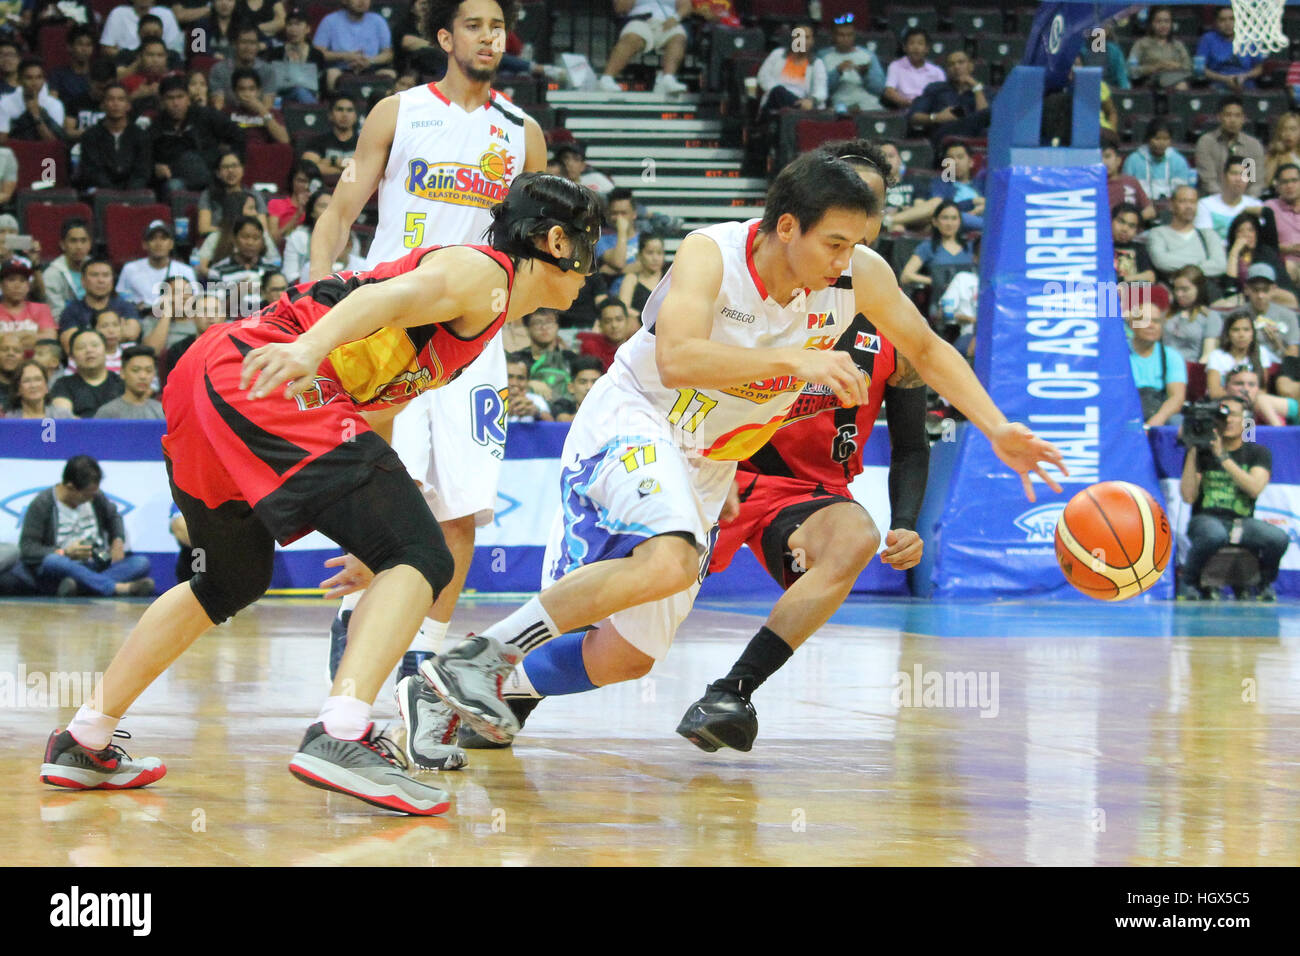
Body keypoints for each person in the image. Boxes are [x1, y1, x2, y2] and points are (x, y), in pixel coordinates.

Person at [403, 150, 1066, 750]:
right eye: (834, 243)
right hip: (639, 417)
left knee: (627, 655)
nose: (846, 260)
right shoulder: (710, 252)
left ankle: (480, 692)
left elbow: (924, 348)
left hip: (711, 461)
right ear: (786, 227)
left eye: (856, 244)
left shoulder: (859, 275)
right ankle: (477, 659)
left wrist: (996, 426)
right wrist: (796, 360)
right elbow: (679, 356)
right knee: (669, 558)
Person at [37, 172, 597, 815]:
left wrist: (377, 533)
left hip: (211, 376)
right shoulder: (485, 274)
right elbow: (386, 299)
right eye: (585, 247)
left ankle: (83, 739)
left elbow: (383, 397)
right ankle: (342, 733)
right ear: (558, 241)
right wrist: (309, 348)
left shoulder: (479, 307)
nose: (589, 269)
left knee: (229, 580)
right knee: (427, 554)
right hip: (267, 368)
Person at [309, 0, 548, 771]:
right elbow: (342, 206)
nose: (489, 36)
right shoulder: (397, 111)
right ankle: (356, 647)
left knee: (461, 509)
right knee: (388, 493)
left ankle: (426, 674)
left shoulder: (522, 134)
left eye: (499, 26)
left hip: (476, 341)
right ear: (446, 38)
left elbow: (537, 247)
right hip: (394, 328)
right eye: (474, 24)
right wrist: (321, 299)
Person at [670, 144, 933, 752]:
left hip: (808, 494)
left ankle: (732, 691)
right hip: (720, 464)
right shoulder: (760, 290)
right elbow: (678, 357)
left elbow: (914, 442)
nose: (855, 233)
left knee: (854, 539)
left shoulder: (885, 313)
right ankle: (515, 688)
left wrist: (909, 521)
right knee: (637, 609)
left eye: (868, 213)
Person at [1178, 396, 1286, 600]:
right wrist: (1192, 449)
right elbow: (1188, 496)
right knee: (1214, 534)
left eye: (1234, 415)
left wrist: (1222, 457)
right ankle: (1188, 582)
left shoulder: (1257, 452)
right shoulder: (1201, 452)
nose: (1228, 420)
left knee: (1278, 538)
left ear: (1245, 420)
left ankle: (1263, 584)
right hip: (1206, 518)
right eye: (1222, 415)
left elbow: (1254, 488)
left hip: (1242, 521)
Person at [20, 454, 155, 598]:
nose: (91, 498)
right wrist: (65, 552)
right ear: (70, 487)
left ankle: (80, 587)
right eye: (86, 495)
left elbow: (114, 517)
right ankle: (117, 588)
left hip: (95, 564)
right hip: (65, 566)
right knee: (52, 561)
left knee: (141, 562)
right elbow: (28, 548)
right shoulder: (42, 504)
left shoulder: (95, 496)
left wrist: (117, 540)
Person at [149, 76, 246, 193]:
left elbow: (238, 135)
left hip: (211, 174)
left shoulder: (206, 115)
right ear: (162, 102)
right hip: (178, 178)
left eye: (180, 97)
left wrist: (231, 161)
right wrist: (156, 168)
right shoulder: (155, 128)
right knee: (174, 187)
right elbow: (147, 160)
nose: (175, 103)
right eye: (170, 98)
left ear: (188, 98)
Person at [598, 0, 689, 97]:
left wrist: (675, 18)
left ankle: (667, 79)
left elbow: (686, 6)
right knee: (631, 38)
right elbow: (620, 8)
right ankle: (607, 78)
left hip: (668, 22)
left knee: (679, 37)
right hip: (640, 20)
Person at [71, 83, 153, 191]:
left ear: (128, 105)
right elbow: (92, 171)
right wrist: (113, 192)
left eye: (121, 99)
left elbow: (142, 172)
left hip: (133, 193)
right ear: (103, 105)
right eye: (110, 99)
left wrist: (128, 192)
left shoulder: (141, 136)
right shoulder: (90, 136)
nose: (115, 104)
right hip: (101, 192)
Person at [906, 50, 990, 152]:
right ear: (947, 70)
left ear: (971, 66)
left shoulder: (982, 91)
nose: (956, 67)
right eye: (951, 64)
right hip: (945, 135)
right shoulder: (935, 89)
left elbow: (984, 117)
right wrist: (937, 117)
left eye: (961, 62)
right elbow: (914, 116)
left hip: (974, 139)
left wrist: (976, 88)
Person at [58, 258, 141, 352]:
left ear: (112, 280)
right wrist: (115, 333)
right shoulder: (71, 310)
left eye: (106, 275)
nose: (101, 280)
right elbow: (70, 344)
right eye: (94, 275)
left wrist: (88, 339)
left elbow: (131, 334)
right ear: (83, 281)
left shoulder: (125, 306)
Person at [1147, 185, 1227, 284]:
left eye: (1192, 202)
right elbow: (1162, 261)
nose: (1189, 206)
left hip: (1205, 291)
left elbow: (1220, 265)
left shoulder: (1208, 235)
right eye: (1183, 201)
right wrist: (1202, 263)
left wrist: (1181, 265)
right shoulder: (1158, 233)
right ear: (1171, 205)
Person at [116, 220, 199, 313]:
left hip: (174, 318)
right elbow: (120, 299)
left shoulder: (186, 271)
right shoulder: (129, 269)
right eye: (153, 239)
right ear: (144, 244)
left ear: (171, 244)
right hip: (141, 318)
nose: (158, 243)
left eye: (163, 238)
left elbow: (194, 301)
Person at [314, 0, 395, 93]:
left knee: (390, 74)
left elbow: (388, 54)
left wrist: (370, 61)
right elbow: (317, 53)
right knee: (331, 74)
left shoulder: (378, 21)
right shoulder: (330, 21)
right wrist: (346, 56)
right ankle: (338, 105)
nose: (362, 1)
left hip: (371, 67)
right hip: (341, 69)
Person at [283, 189, 362, 282]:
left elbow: (355, 265)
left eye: (332, 206)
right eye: (323, 206)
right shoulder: (297, 237)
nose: (328, 210)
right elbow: (290, 275)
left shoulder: (350, 237)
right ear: (311, 212)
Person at [1128, 298, 1185, 426]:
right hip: (1125, 410)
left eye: (1156, 321)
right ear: (1132, 324)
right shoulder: (1118, 353)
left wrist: (1156, 421)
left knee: (1178, 422)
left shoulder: (1172, 356)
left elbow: (1176, 397)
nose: (1151, 325)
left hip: (1158, 412)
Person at [1195, 95, 1266, 199]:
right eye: (1228, 115)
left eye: (1237, 116)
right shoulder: (1206, 142)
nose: (1233, 120)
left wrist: (1244, 203)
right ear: (1219, 117)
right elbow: (1208, 181)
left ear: (1243, 119)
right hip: (1213, 202)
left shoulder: (1254, 145)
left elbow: (1256, 182)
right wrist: (1225, 202)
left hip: (1245, 205)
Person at [1219, 208, 1294, 303]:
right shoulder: (1228, 256)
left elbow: (1268, 213)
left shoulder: (1266, 251)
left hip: (1273, 298)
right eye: (1240, 231)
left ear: (1257, 233)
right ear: (1234, 235)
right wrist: (1234, 252)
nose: (1246, 235)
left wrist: (1246, 209)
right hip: (1242, 301)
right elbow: (1229, 289)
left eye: (1251, 230)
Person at [209, 215, 280, 315]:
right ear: (234, 238)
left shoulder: (272, 270)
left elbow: (282, 304)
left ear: (262, 241)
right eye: (245, 237)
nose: (250, 242)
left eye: (256, 238)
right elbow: (214, 312)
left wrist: (266, 293)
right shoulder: (217, 270)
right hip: (231, 325)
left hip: (266, 323)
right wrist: (238, 293)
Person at [898, 200, 975, 290]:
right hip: (940, 300)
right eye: (945, 218)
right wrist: (934, 281)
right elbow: (906, 276)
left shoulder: (971, 247)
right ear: (935, 222)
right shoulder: (927, 247)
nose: (949, 223)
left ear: (960, 222)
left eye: (954, 218)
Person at [818, 13, 885, 114]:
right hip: (841, 109)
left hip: (870, 107)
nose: (846, 39)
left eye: (849, 35)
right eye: (841, 35)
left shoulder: (868, 55)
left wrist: (865, 75)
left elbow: (879, 89)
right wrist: (837, 72)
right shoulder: (823, 56)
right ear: (833, 36)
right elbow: (820, 90)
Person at [49, 328, 125, 416]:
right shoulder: (63, 385)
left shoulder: (121, 383)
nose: (89, 350)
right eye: (81, 347)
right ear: (72, 356)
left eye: (95, 345)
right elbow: (64, 419)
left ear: (105, 350)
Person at [756, 22, 826, 117]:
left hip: (800, 106)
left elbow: (821, 90)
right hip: (774, 105)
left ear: (813, 41)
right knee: (778, 91)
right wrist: (780, 93)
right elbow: (762, 77)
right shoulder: (777, 54)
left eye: (807, 37)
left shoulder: (817, 63)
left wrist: (812, 100)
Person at [1205, 309, 1277, 398]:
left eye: (1246, 330)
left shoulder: (1262, 352)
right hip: (1225, 403)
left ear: (1252, 333)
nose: (1241, 335)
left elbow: (1263, 390)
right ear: (1228, 334)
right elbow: (1214, 393)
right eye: (1236, 330)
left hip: (1253, 404)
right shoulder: (1216, 356)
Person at [507, 308, 573, 399]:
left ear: (557, 326)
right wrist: (529, 384)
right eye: (537, 322)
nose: (544, 327)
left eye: (549, 322)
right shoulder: (517, 358)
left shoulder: (570, 359)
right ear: (527, 328)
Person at [1123, 118, 1195, 201]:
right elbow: (1127, 191)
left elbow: (1183, 192)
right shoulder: (1133, 160)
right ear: (1148, 139)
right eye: (1157, 139)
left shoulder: (1179, 161)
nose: (1161, 143)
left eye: (1166, 139)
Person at [1239, 263, 1300, 360]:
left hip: (1280, 367)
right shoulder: (1238, 315)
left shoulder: (1288, 316)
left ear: (1273, 290)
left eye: (1265, 290)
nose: (1260, 296)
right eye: (1255, 290)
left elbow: (1293, 358)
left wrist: (1277, 343)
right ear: (1247, 289)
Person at [1195, 155, 1263, 242]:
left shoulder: (1255, 205)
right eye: (1234, 174)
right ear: (1223, 176)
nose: (1238, 179)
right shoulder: (1205, 205)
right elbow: (1206, 240)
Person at [197, 151, 265, 238]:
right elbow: (204, 229)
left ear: (242, 169)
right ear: (218, 173)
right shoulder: (208, 195)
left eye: (234, 166)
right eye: (225, 167)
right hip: (218, 241)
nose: (230, 170)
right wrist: (233, 233)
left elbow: (263, 229)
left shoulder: (254, 195)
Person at [1196, 6, 1264, 93]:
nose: (1228, 23)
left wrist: (1243, 77)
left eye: (1232, 19)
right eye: (1222, 20)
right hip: (1217, 86)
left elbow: (1259, 68)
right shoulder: (1207, 39)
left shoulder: (1250, 39)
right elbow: (1200, 69)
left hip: (1246, 85)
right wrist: (1225, 79)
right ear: (1216, 22)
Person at [267, 9, 327, 105]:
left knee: (300, 91)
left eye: (298, 24)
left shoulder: (317, 55)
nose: (293, 29)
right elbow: (269, 83)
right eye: (290, 24)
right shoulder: (276, 53)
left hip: (308, 95)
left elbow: (322, 87)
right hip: (280, 96)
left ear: (307, 29)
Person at [0, 58, 67, 143]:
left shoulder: (55, 105)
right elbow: (2, 141)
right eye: (29, 78)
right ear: (19, 80)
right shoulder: (5, 102)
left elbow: (54, 143)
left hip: (46, 154)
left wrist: (36, 116)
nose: (34, 83)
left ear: (44, 80)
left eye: (39, 77)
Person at [209, 24, 277, 108]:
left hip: (257, 118)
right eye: (243, 42)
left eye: (252, 43)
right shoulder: (218, 69)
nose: (248, 47)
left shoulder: (268, 71)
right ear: (235, 44)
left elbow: (267, 108)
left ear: (258, 46)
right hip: (227, 118)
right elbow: (218, 107)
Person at [1129, 5, 1192, 91]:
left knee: (1182, 85)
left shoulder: (1178, 45)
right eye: (1158, 21)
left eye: (1167, 21)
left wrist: (1176, 65)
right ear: (1151, 23)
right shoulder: (1141, 44)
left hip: (1176, 79)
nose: (1163, 25)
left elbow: (1188, 67)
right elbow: (1130, 69)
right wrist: (1155, 67)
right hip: (1150, 83)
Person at [1164, 265, 1219, 364]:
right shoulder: (1167, 314)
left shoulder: (1210, 317)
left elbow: (1208, 354)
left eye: (1185, 289)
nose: (1179, 294)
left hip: (1191, 368)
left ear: (1199, 289)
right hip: (1164, 366)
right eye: (1176, 289)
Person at [92, 344, 163, 418]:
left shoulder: (161, 411)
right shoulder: (107, 413)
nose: (143, 376)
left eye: (148, 371)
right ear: (122, 373)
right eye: (135, 370)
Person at [221, 68, 289, 146]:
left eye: (251, 89)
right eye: (242, 89)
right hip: (237, 153)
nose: (247, 94)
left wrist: (262, 110)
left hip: (262, 153)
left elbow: (284, 140)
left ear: (258, 91)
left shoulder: (272, 112)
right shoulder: (226, 112)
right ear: (235, 92)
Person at [882, 27, 944, 110]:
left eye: (920, 43)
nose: (916, 47)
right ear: (904, 47)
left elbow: (943, 94)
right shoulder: (895, 66)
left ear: (927, 49)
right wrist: (905, 102)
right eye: (911, 43)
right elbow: (889, 91)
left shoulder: (937, 71)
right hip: (905, 110)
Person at [300, 93, 359, 178]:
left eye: (349, 110)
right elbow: (308, 169)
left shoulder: (364, 143)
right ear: (330, 115)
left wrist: (332, 161)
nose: (344, 114)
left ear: (356, 116)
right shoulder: (317, 142)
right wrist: (348, 169)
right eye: (339, 109)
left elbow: (368, 170)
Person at [0, 260, 56, 350]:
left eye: (22, 280)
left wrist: (5, 337)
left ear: (28, 286)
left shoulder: (41, 308)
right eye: (11, 280)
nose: (17, 285)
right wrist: (27, 335)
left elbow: (50, 338)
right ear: (1, 285)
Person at [100, 0, 183, 58]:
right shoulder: (118, 13)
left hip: (160, 61)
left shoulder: (166, 14)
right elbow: (107, 48)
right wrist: (136, 58)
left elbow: (175, 49)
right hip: (127, 63)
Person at [1103, 138, 1156, 223]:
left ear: (1118, 160)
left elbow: (1150, 211)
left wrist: (1131, 221)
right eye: (1099, 158)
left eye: (1107, 156)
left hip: (1132, 232)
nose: (1104, 162)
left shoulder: (1131, 182)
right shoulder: (1092, 185)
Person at [1263, 163, 1300, 285]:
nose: (1289, 185)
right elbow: (1264, 245)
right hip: (1284, 263)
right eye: (1284, 182)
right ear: (1277, 186)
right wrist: (1290, 248)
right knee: (1289, 267)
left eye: (1294, 181)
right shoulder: (1270, 208)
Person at [577, 296, 636, 371]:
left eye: (619, 319)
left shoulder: (636, 346)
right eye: (607, 321)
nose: (614, 325)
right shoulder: (592, 347)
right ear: (600, 324)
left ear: (627, 321)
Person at [617, 232, 663, 321]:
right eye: (650, 253)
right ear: (639, 256)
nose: (655, 258)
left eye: (659, 253)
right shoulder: (631, 279)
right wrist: (648, 320)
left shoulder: (670, 279)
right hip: (639, 327)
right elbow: (623, 308)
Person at [5, 359, 73, 418]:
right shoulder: (10, 419)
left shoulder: (63, 416)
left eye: (38, 379)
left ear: (46, 387)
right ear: (18, 389)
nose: (33, 385)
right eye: (26, 381)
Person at [595, 187, 640, 276]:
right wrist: (622, 232)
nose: (619, 218)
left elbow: (647, 266)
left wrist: (614, 272)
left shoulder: (644, 239)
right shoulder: (601, 241)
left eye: (623, 213)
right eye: (614, 213)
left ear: (634, 214)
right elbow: (619, 263)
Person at [1110, 201, 1157, 285]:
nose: (1125, 229)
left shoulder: (1139, 248)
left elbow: (1150, 277)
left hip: (1133, 293)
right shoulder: (1099, 247)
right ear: (1110, 221)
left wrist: (1121, 279)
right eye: (1121, 222)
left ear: (1137, 230)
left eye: (1131, 226)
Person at [548, 353, 601, 421]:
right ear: (571, 387)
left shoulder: (613, 405)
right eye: (583, 382)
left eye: (595, 382)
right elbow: (563, 420)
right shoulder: (562, 405)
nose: (589, 387)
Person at [552, 143, 616, 196]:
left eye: (576, 159)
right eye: (565, 158)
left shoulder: (597, 180)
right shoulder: (552, 186)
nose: (569, 163)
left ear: (583, 166)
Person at [504, 355, 551, 421]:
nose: (514, 383)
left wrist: (537, 413)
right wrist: (504, 413)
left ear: (528, 381)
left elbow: (552, 426)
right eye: (509, 377)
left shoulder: (536, 400)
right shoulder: (490, 400)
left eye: (521, 378)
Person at [1264, 113, 1300, 186]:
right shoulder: (1274, 155)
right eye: (1284, 130)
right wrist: (1276, 154)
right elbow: (1266, 182)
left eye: (1293, 129)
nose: (1288, 134)